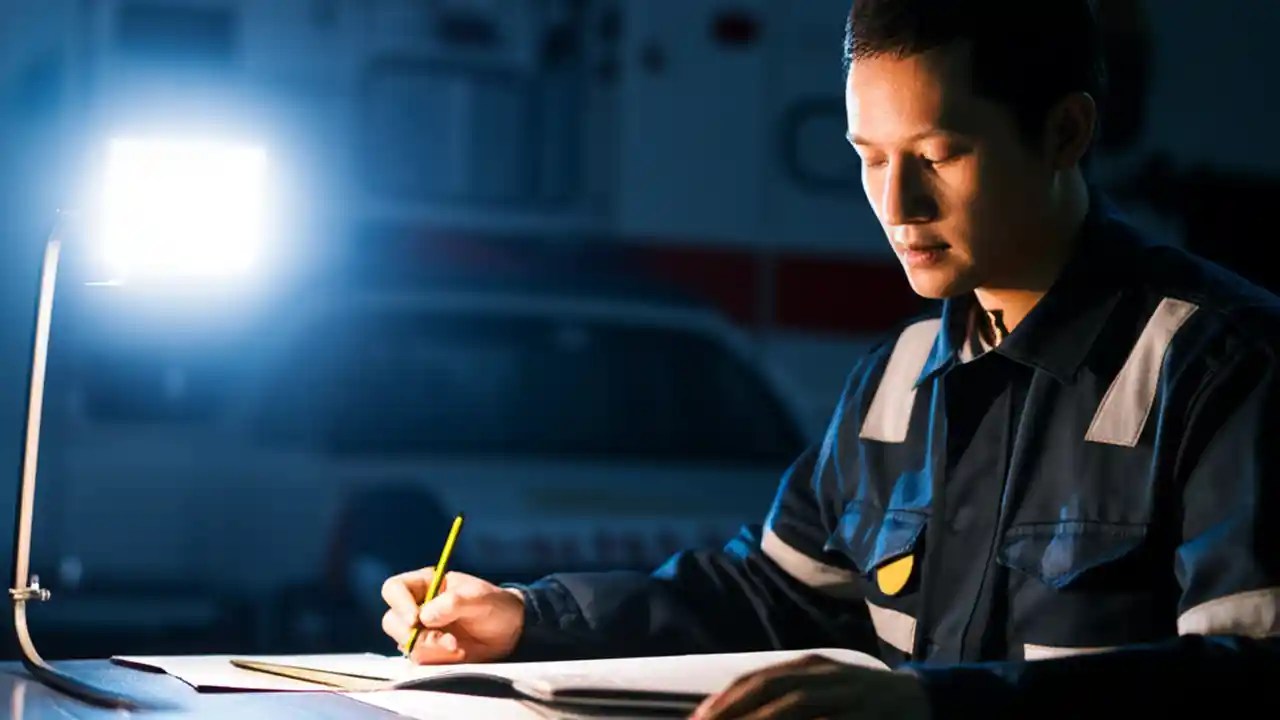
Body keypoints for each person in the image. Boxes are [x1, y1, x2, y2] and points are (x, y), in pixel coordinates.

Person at [379, 1, 1280, 717]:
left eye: (939, 153)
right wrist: (533, 619)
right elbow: (772, 595)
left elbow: (1247, 675)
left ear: (1066, 133)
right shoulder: (897, 380)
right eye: (868, 156)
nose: (898, 203)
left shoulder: (1221, 366)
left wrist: (929, 707)